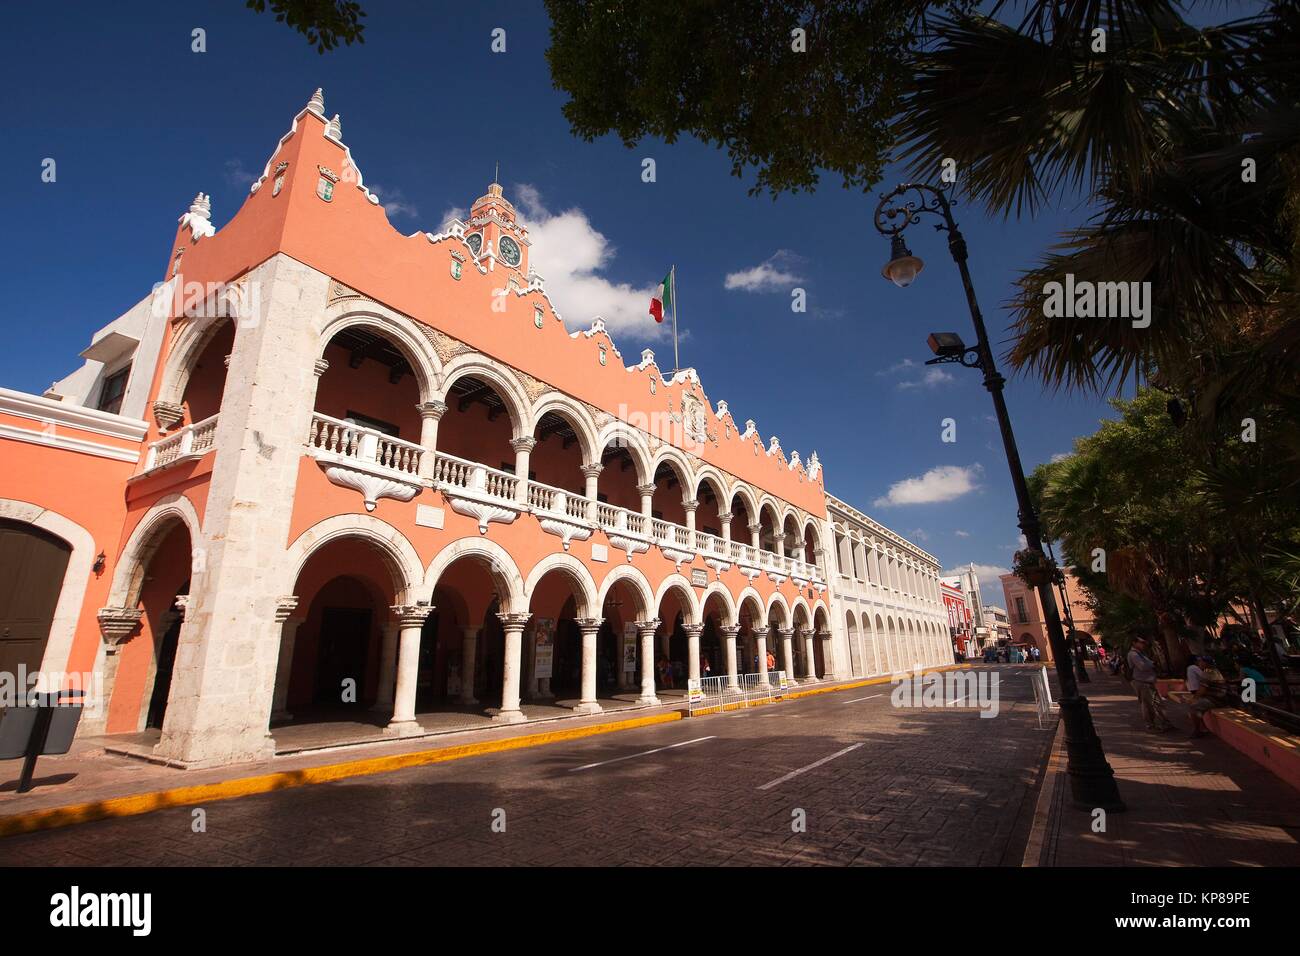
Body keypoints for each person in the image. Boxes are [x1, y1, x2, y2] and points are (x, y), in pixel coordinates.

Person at [1127, 637, 1171, 732]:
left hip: (1148, 681)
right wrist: (1153, 663)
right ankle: (1150, 725)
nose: (1143, 645)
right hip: (1142, 682)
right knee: (1147, 705)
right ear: (1134, 643)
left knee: (1157, 703)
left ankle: (1165, 723)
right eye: (1141, 642)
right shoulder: (1134, 654)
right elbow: (1142, 666)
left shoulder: (1140, 654)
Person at [1186, 655, 1218, 738]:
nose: (1199, 663)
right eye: (1199, 661)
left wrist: (1194, 699)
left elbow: (1202, 689)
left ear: (1205, 663)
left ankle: (1197, 730)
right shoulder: (1211, 671)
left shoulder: (1208, 673)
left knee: (1193, 707)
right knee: (1196, 707)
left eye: (1201, 661)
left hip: (1214, 698)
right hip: (1213, 696)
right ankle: (1202, 727)